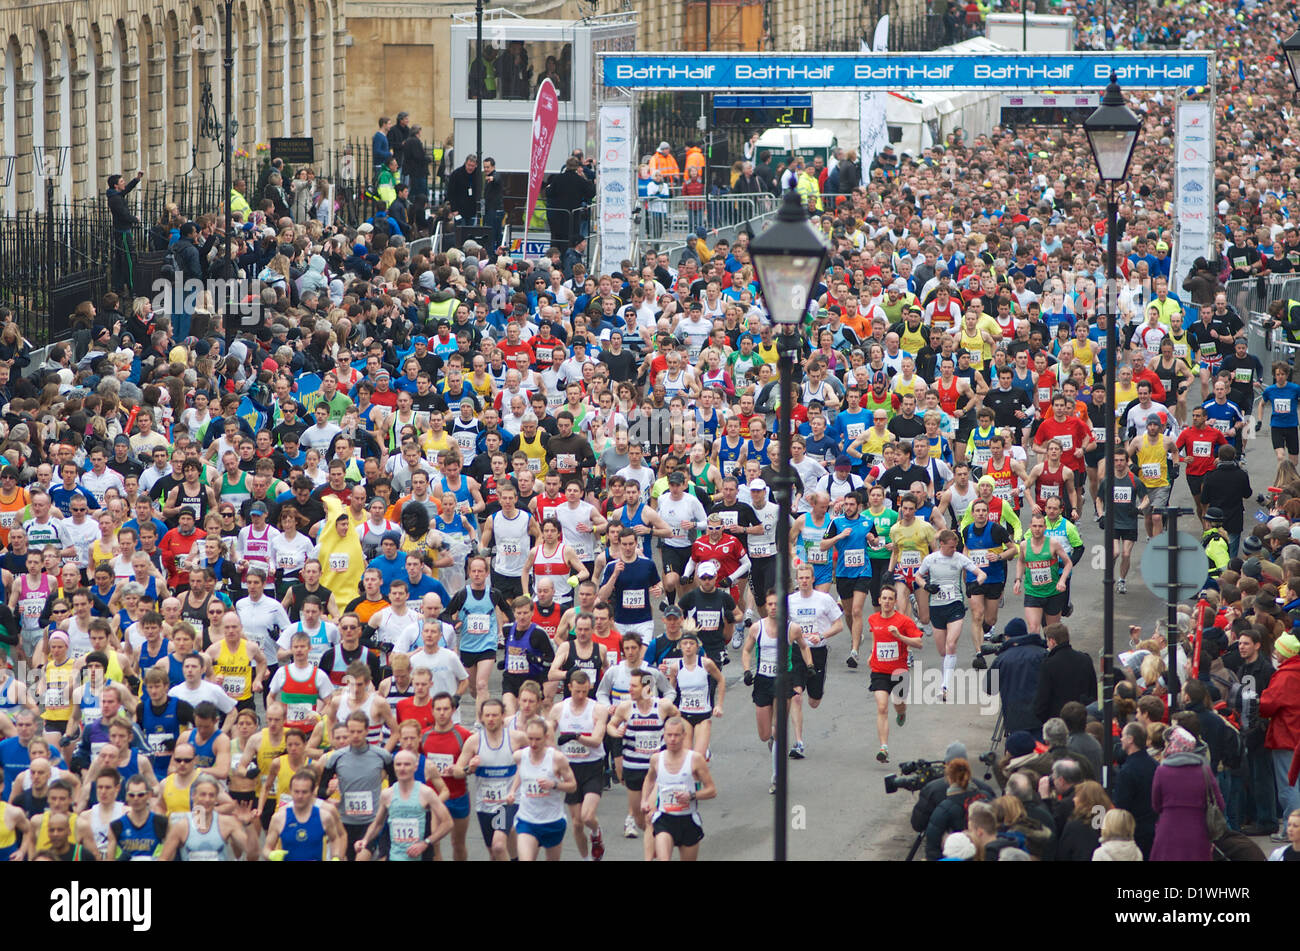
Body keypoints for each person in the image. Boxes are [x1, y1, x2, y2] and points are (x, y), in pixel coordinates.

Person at [355, 749, 452, 862]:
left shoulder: (426, 793)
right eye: (398, 764)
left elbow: (448, 823)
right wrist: (365, 840)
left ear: (415, 767)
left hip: (421, 855)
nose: (402, 768)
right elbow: (378, 823)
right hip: (395, 856)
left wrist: (426, 843)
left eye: (407, 764)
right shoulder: (387, 794)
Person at [641, 715, 716, 861]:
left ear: (684, 736)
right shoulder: (657, 759)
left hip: (688, 819)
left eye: (676, 735)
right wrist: (644, 800)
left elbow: (712, 790)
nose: (672, 739)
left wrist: (691, 795)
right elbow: (649, 780)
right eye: (669, 735)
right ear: (664, 736)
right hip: (664, 819)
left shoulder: (695, 759)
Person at [1151, 725, 1226, 861]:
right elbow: (1219, 804)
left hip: (1167, 832)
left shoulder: (1162, 771)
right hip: (1197, 833)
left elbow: (1156, 805)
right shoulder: (1204, 771)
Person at [867, 587, 924, 762]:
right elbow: (876, 637)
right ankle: (884, 747)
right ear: (879, 600)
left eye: (890, 599)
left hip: (899, 671)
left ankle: (902, 712)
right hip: (879, 671)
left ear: (894, 601)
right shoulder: (873, 619)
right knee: (882, 707)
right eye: (884, 598)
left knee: (898, 704)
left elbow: (919, 643)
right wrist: (872, 652)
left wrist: (899, 636)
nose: (887, 602)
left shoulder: (904, 621)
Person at [263, 768, 348, 861]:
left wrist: (336, 856)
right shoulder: (279, 818)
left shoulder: (324, 817)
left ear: (312, 793)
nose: (300, 796)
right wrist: (271, 855)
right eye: (296, 791)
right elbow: (266, 849)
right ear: (291, 791)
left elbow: (335, 838)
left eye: (304, 792)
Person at [1032, 623, 1097, 728]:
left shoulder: (1048, 664)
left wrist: (1045, 719)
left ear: (1052, 641)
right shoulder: (1085, 660)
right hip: (1081, 718)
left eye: (1047, 641)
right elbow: (1093, 692)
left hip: (1057, 721)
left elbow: (1042, 698)